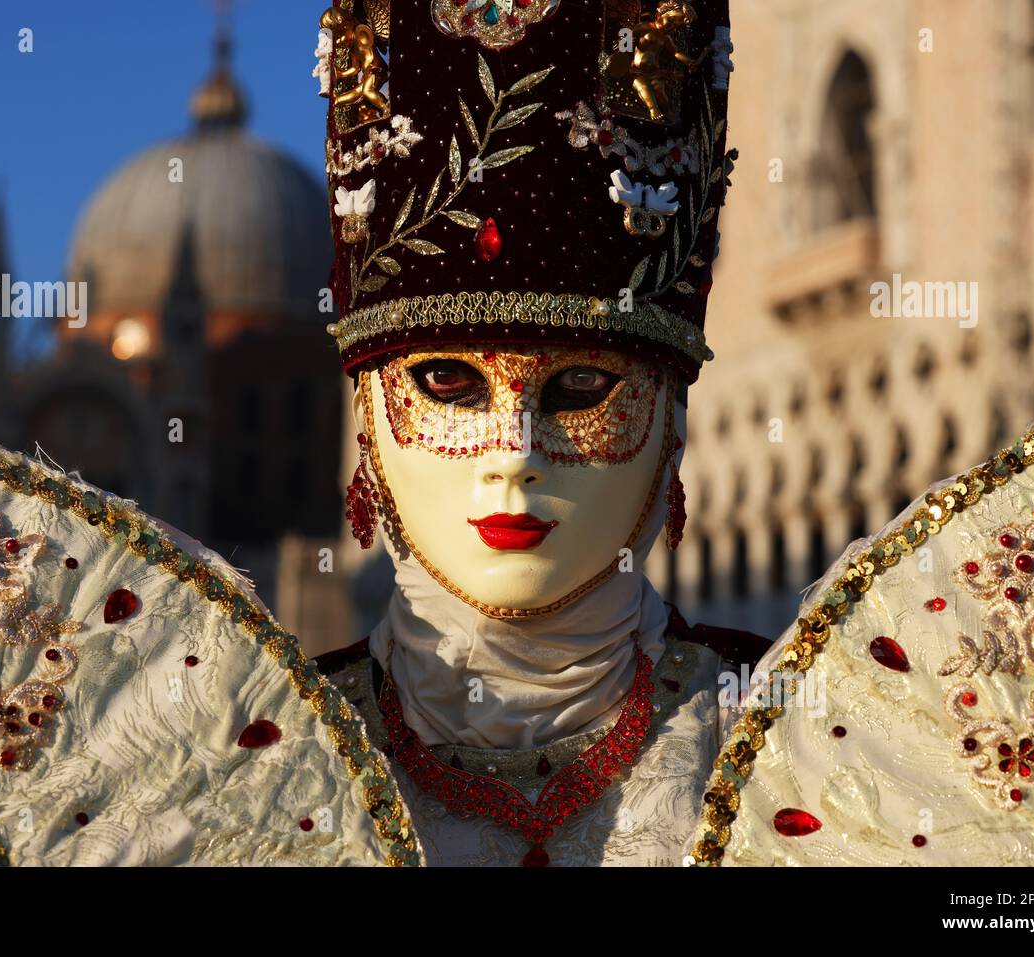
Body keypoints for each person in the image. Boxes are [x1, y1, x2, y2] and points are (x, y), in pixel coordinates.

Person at [313, 0, 756, 865]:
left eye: (582, 388)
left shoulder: (797, 733)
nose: (514, 454)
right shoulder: (266, 749)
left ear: (672, 416)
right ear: (369, 414)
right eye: (446, 382)